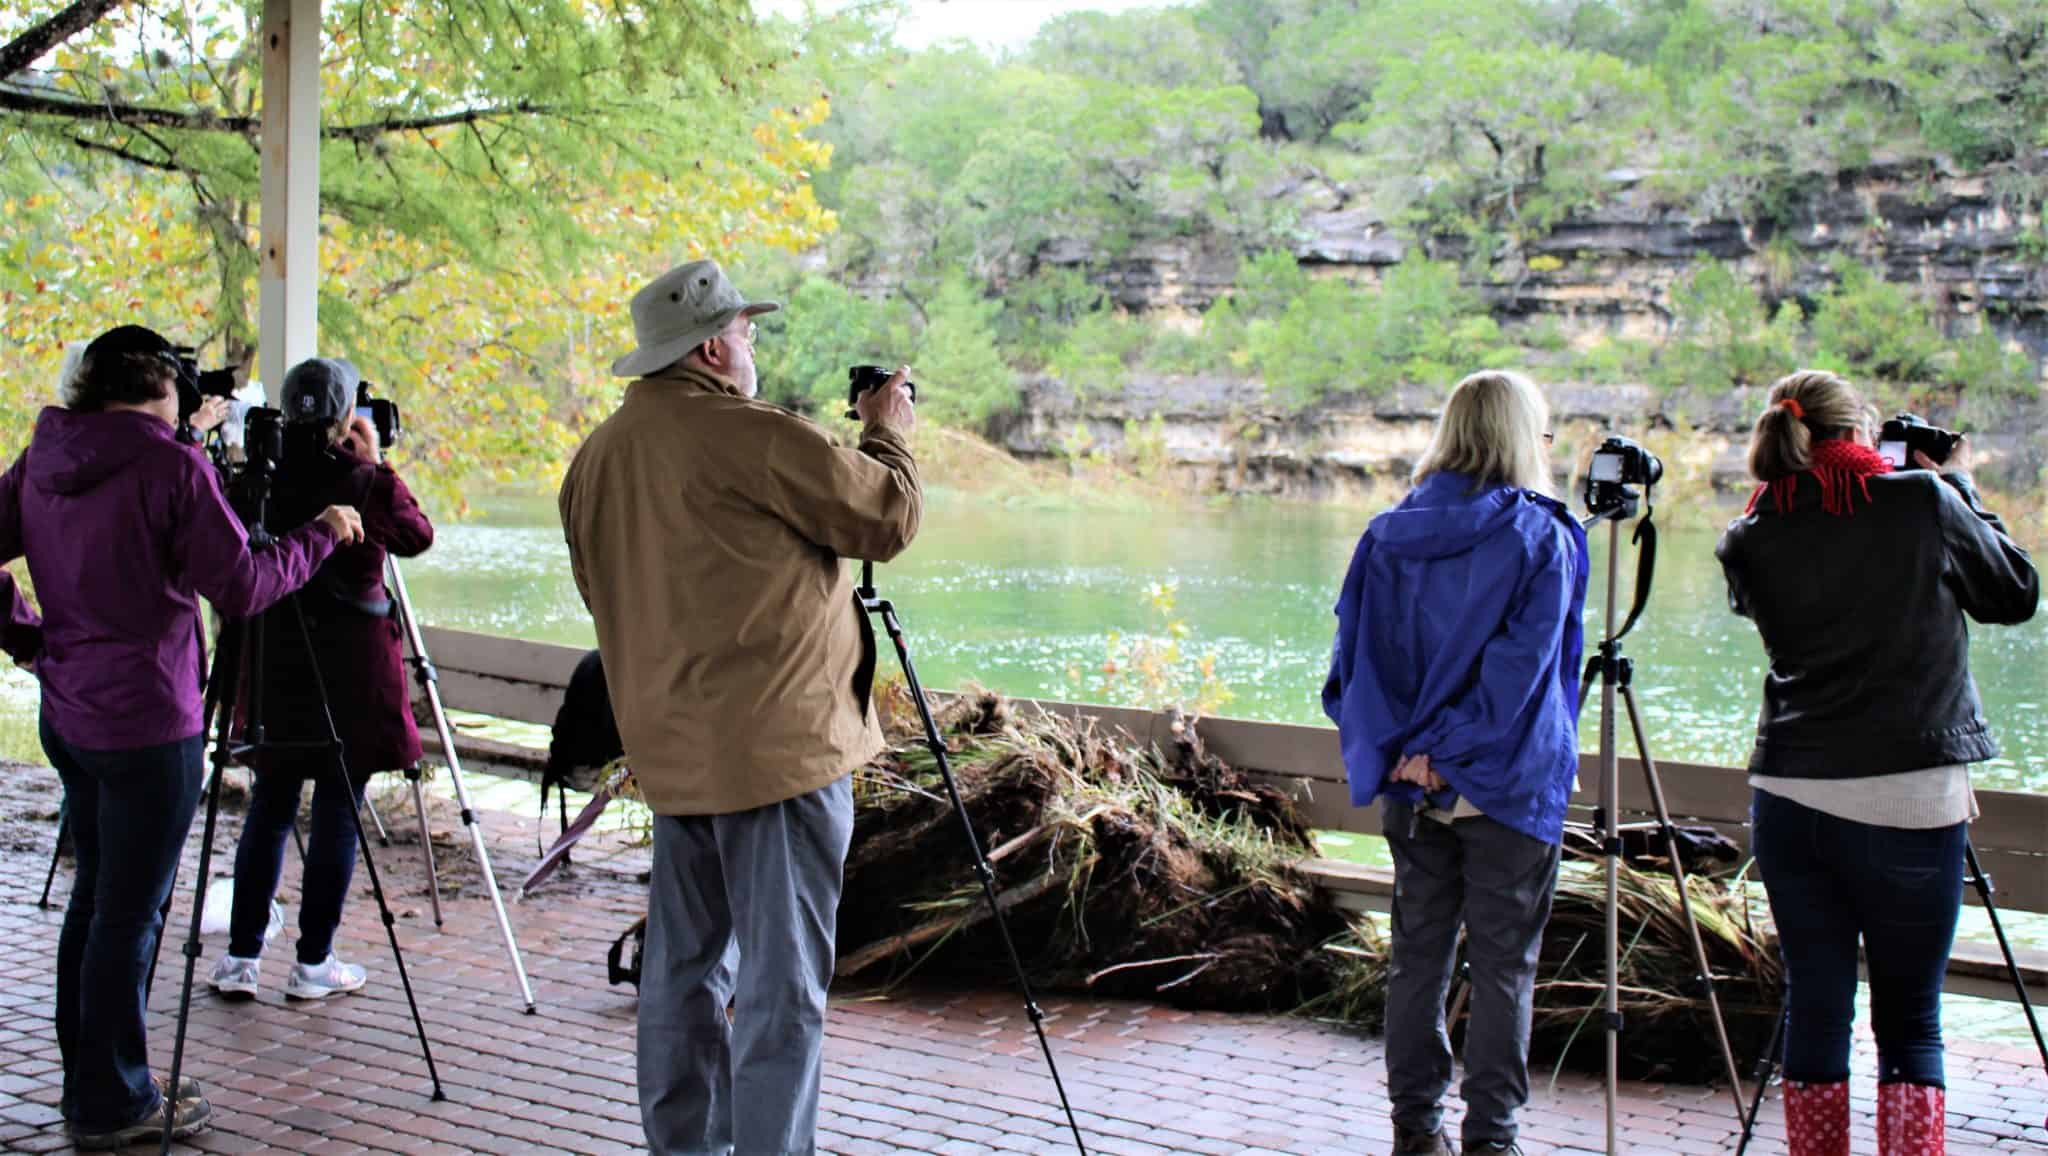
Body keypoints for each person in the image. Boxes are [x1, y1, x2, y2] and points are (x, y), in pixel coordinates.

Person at [559, 259, 921, 1155]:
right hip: (779, 761)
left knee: (679, 978)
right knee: (782, 988)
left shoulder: (595, 461)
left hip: (673, 762)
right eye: (747, 332)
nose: (753, 345)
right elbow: (886, 519)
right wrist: (890, 432)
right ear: (714, 348)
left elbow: (601, 596)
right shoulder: (751, 434)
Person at [0, 324, 361, 1149]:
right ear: (166, 393)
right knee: (128, 916)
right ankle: (115, 1102)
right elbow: (240, 585)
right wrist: (318, 534)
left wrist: (31, 639)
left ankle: (92, 1079)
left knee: (94, 904)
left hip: (69, 714)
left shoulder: (47, 456)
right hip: (149, 725)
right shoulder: (171, 464)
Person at [1717, 370, 2037, 1156]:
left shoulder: (1751, 532)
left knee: (1817, 1006)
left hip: (1790, 794)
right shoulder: (1921, 503)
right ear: (1857, 430)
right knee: (1911, 1019)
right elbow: (2014, 592)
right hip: (1909, 795)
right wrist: (1956, 485)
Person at [1323, 370, 1587, 1156]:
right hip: (1507, 785)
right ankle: (1492, 1141)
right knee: (1505, 970)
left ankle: (1416, 1132)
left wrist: (1405, 756)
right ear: (1522, 437)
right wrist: (1449, 755)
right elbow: (1523, 677)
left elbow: (1350, 672)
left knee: (1417, 962)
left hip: (1410, 788)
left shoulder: (1385, 533)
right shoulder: (1544, 535)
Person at [209, 357, 435, 1003]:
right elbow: (418, 536)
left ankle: (241, 957)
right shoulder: (363, 480)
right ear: (345, 415)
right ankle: (314, 963)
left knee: (271, 806)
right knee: (339, 807)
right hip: (353, 670)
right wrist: (376, 463)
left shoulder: (259, 481)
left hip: (276, 660)